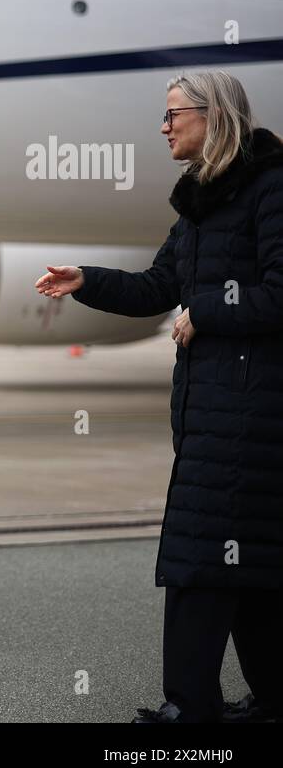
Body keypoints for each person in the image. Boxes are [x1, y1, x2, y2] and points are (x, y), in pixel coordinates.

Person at [36, 70, 283, 723]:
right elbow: (155, 288)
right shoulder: (200, 203)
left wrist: (207, 311)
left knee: (200, 561)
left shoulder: (272, 187)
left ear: (214, 115)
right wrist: (87, 280)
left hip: (253, 414)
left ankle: (190, 707)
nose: (164, 126)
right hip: (211, 413)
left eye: (175, 113)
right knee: (247, 565)